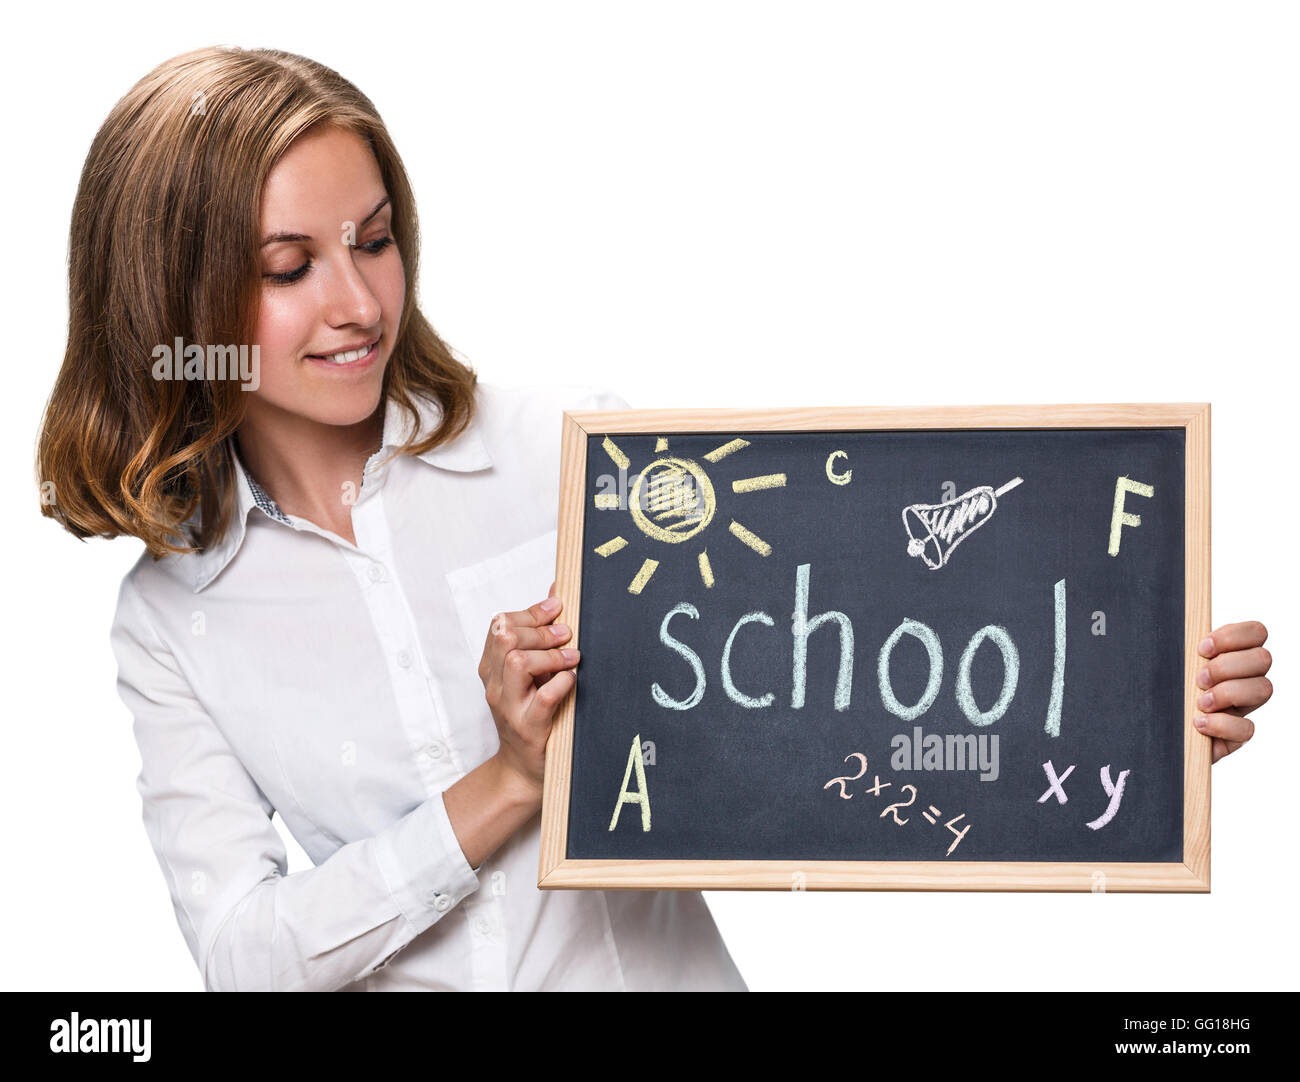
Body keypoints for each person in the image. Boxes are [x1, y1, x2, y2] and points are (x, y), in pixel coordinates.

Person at [36, 46, 1271, 992]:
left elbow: (822, 714)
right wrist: (510, 781)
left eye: (375, 239)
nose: (358, 301)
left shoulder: (573, 455)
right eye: (288, 265)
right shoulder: (172, 621)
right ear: (173, 289)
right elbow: (248, 957)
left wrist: (1116, 727)